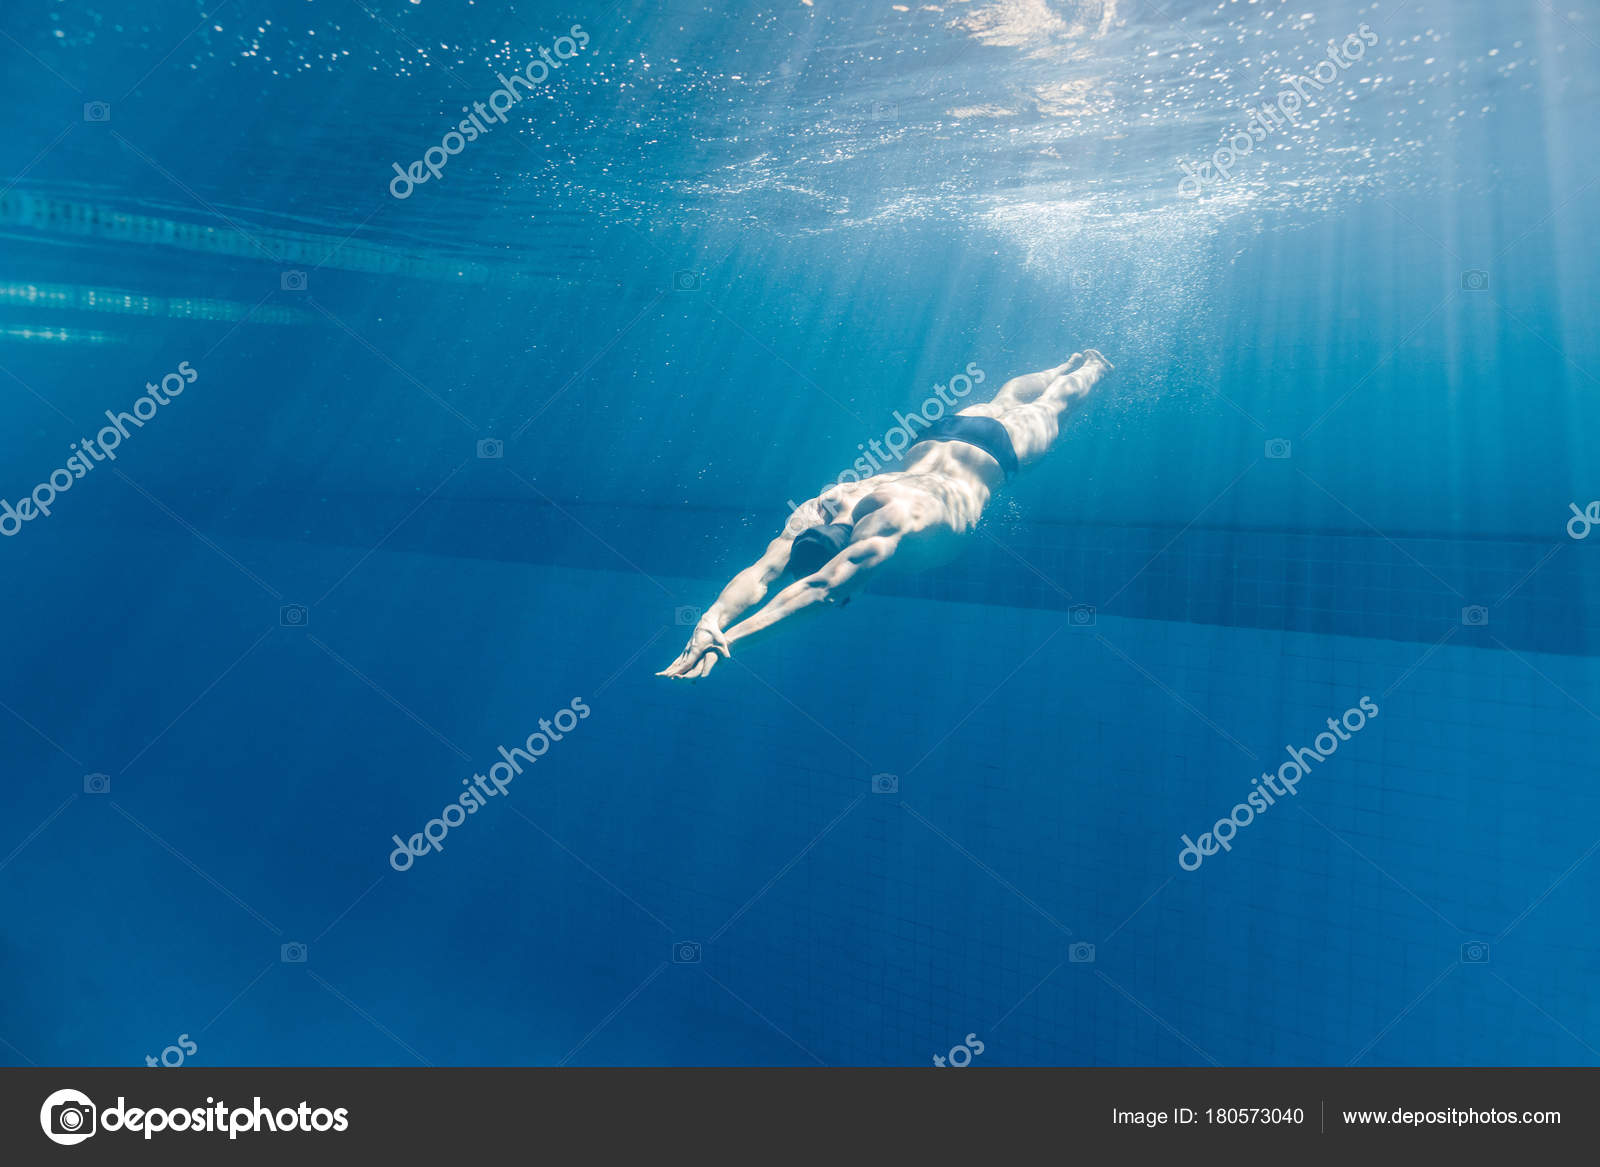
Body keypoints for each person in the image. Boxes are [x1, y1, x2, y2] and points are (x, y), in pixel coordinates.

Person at [658, 349, 1114, 680]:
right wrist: (710, 618)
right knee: (1008, 396)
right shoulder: (831, 500)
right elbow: (762, 574)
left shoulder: (886, 522)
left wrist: (727, 640)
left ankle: (1094, 367)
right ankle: (1063, 366)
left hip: (994, 455)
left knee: (1052, 406)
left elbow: (820, 590)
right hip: (936, 437)